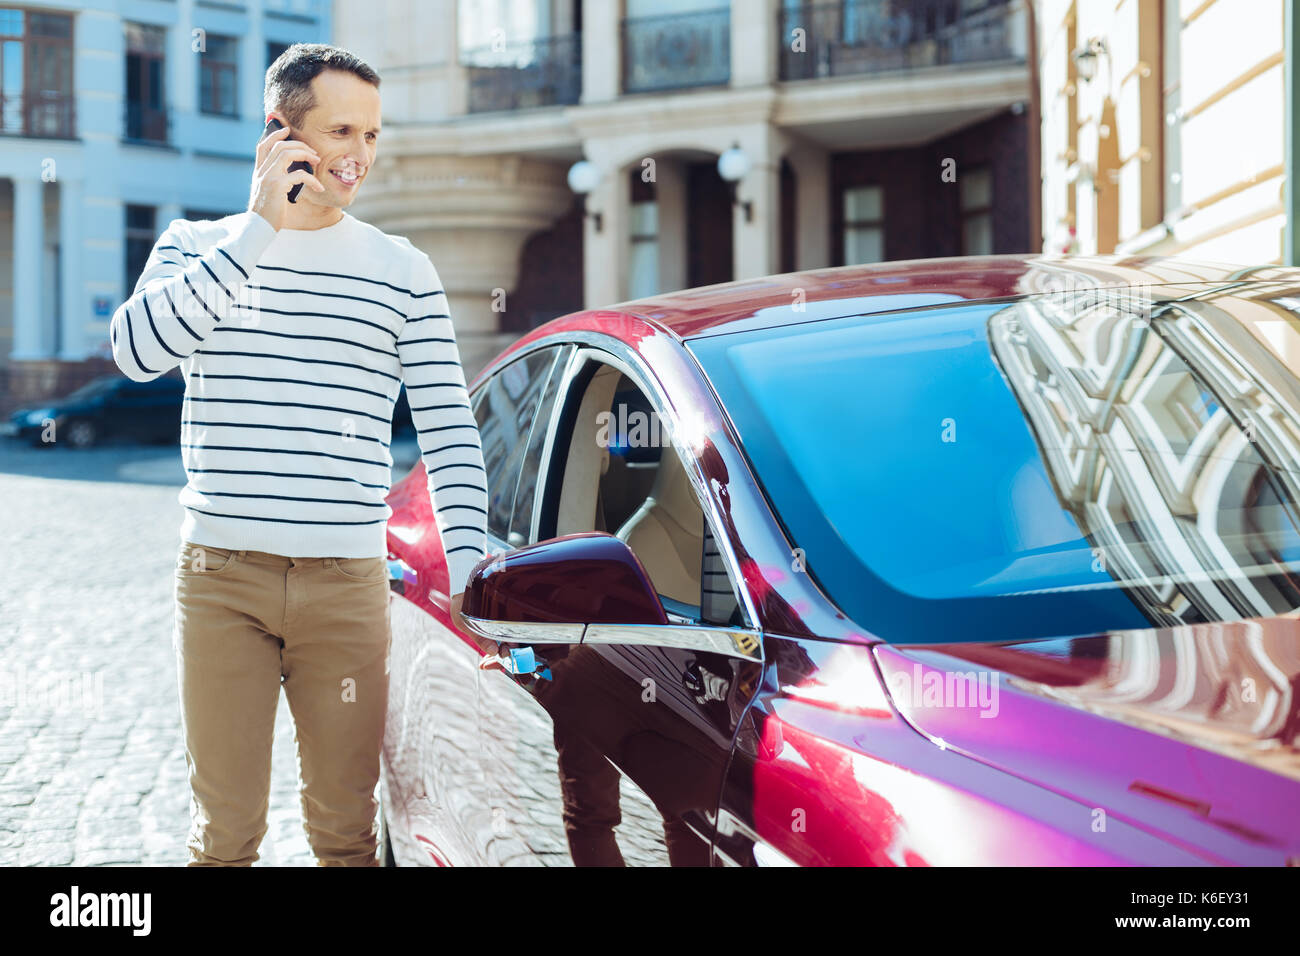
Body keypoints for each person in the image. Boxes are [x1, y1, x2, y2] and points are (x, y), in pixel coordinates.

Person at [108, 43, 488, 866]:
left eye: (374, 135)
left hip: (346, 590)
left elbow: (450, 428)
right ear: (280, 131)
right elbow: (136, 351)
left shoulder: (402, 272)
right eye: (340, 130)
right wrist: (255, 233)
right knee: (226, 836)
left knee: (345, 837)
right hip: (221, 583)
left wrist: (470, 569)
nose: (359, 156)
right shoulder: (194, 246)